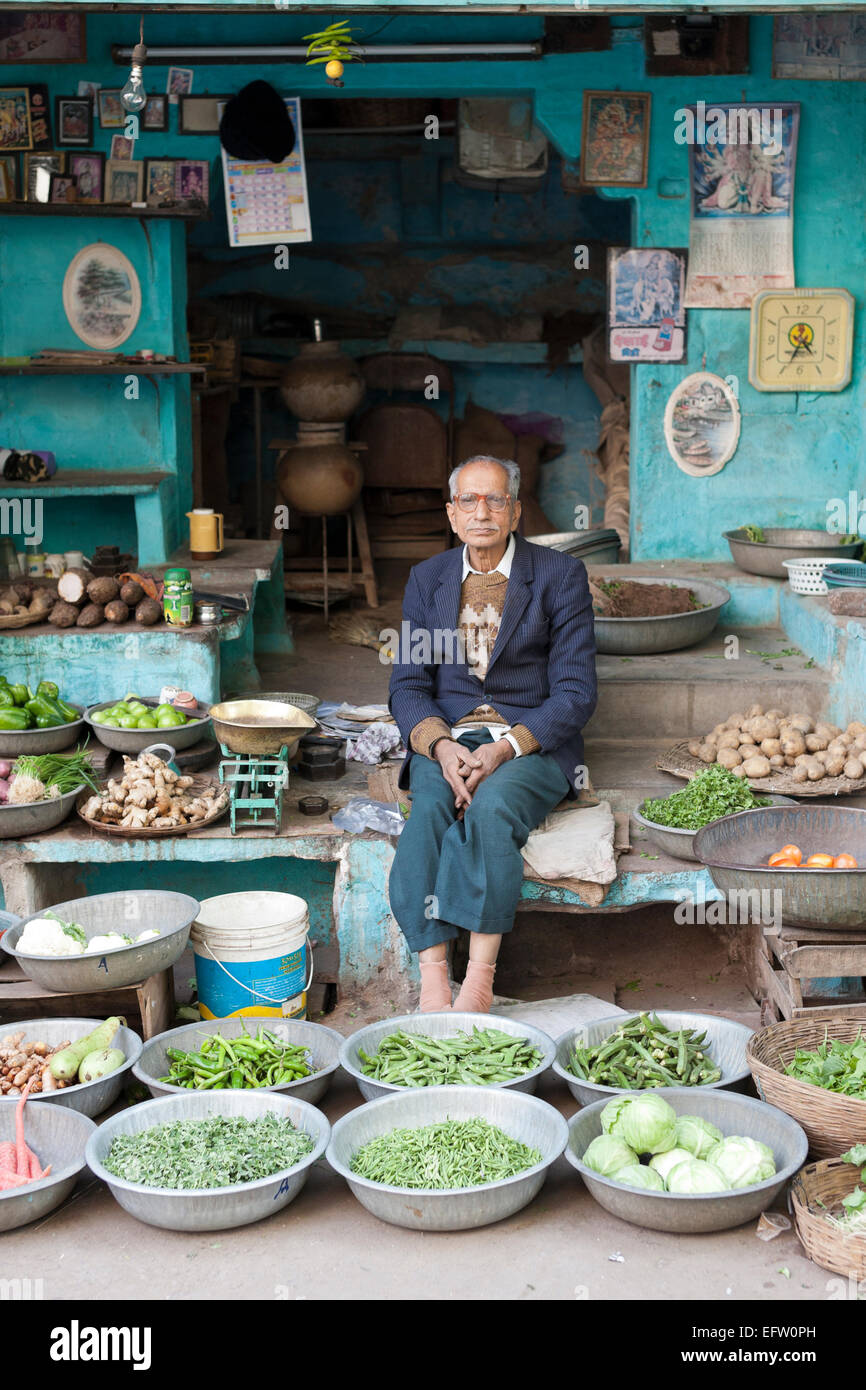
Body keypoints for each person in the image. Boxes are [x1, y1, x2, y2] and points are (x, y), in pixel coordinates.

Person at [388, 455, 597, 1013]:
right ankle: (435, 975)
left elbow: (575, 692)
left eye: (495, 500)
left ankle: (479, 978)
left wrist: (506, 748)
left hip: (530, 740)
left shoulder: (559, 576)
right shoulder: (426, 578)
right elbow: (407, 684)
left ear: (516, 511)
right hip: (450, 736)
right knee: (429, 807)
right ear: (452, 514)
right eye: (469, 501)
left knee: (492, 809)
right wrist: (440, 744)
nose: (482, 512)